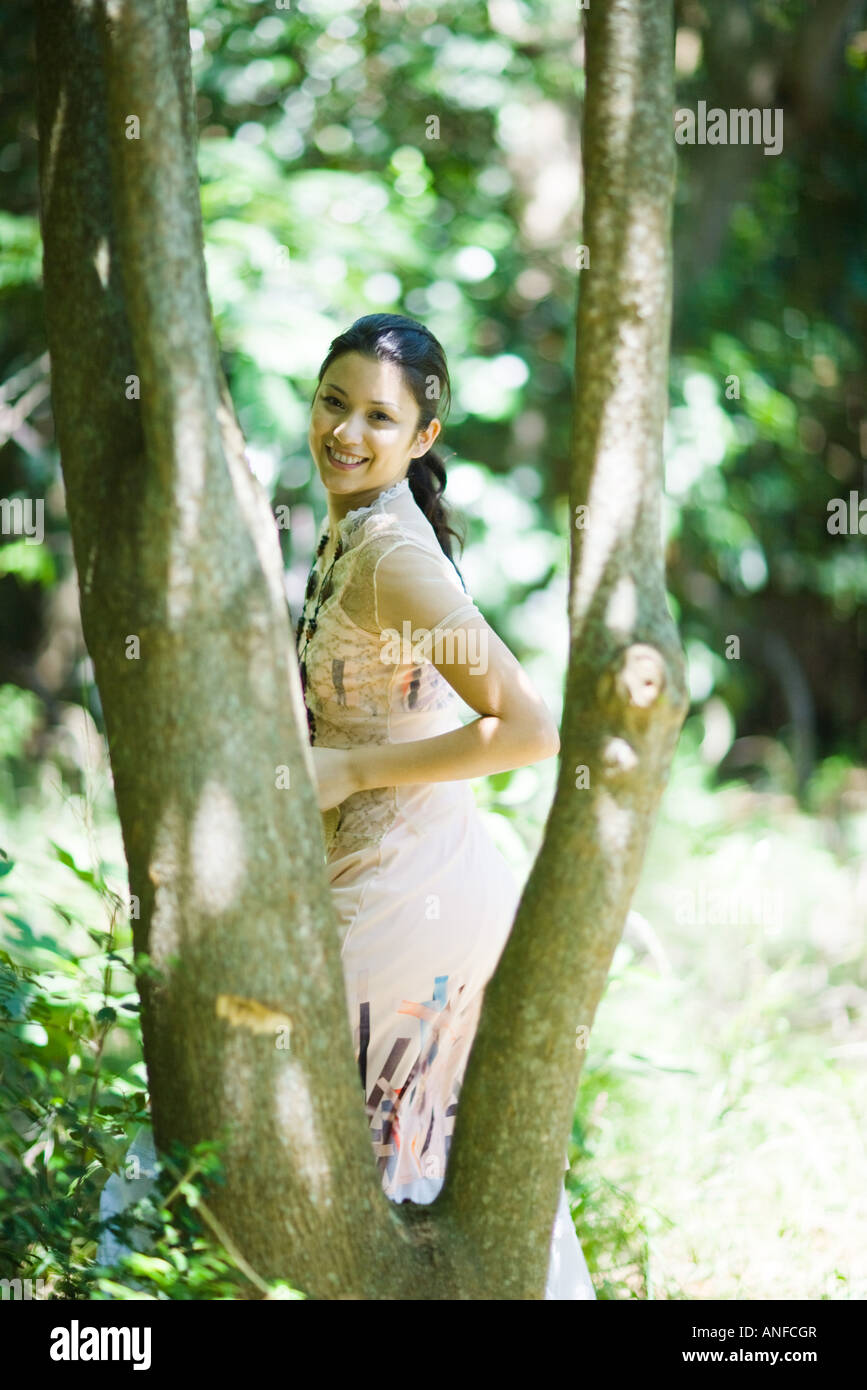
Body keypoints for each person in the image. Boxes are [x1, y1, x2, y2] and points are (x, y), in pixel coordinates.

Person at [297, 312, 595, 1300]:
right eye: (334, 402)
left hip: (410, 901)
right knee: (390, 1160)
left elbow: (527, 729)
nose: (347, 431)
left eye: (379, 417)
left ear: (422, 438)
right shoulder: (353, 526)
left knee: (368, 1169)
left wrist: (347, 774)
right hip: (384, 883)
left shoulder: (393, 557)